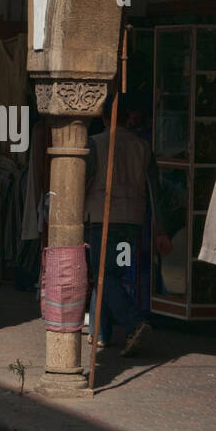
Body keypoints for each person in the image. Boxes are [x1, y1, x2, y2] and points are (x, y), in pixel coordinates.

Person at [83, 102, 170, 356]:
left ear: (103, 117)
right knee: (112, 274)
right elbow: (156, 192)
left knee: (103, 275)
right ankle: (100, 332)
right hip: (131, 222)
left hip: (103, 219)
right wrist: (161, 229)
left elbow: (84, 180)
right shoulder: (142, 146)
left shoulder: (95, 143)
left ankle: (134, 322)